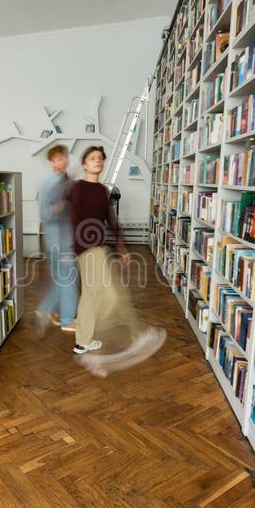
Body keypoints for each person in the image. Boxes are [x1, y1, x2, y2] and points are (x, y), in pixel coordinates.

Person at [67, 145, 165, 375]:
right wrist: (76, 247)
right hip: (87, 249)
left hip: (100, 248)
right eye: (92, 158)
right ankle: (136, 334)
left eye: (100, 158)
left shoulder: (102, 190)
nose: (97, 161)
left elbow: (111, 220)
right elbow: (71, 221)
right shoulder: (78, 189)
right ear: (84, 164)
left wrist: (122, 247)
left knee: (93, 295)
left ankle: (84, 341)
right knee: (113, 293)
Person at [36, 144, 77, 332]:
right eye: (58, 158)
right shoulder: (52, 184)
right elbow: (45, 214)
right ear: (51, 163)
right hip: (60, 242)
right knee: (68, 279)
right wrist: (59, 206)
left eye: (64, 157)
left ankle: (45, 309)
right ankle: (68, 320)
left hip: (61, 239)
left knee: (60, 280)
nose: (63, 160)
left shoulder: (65, 181)